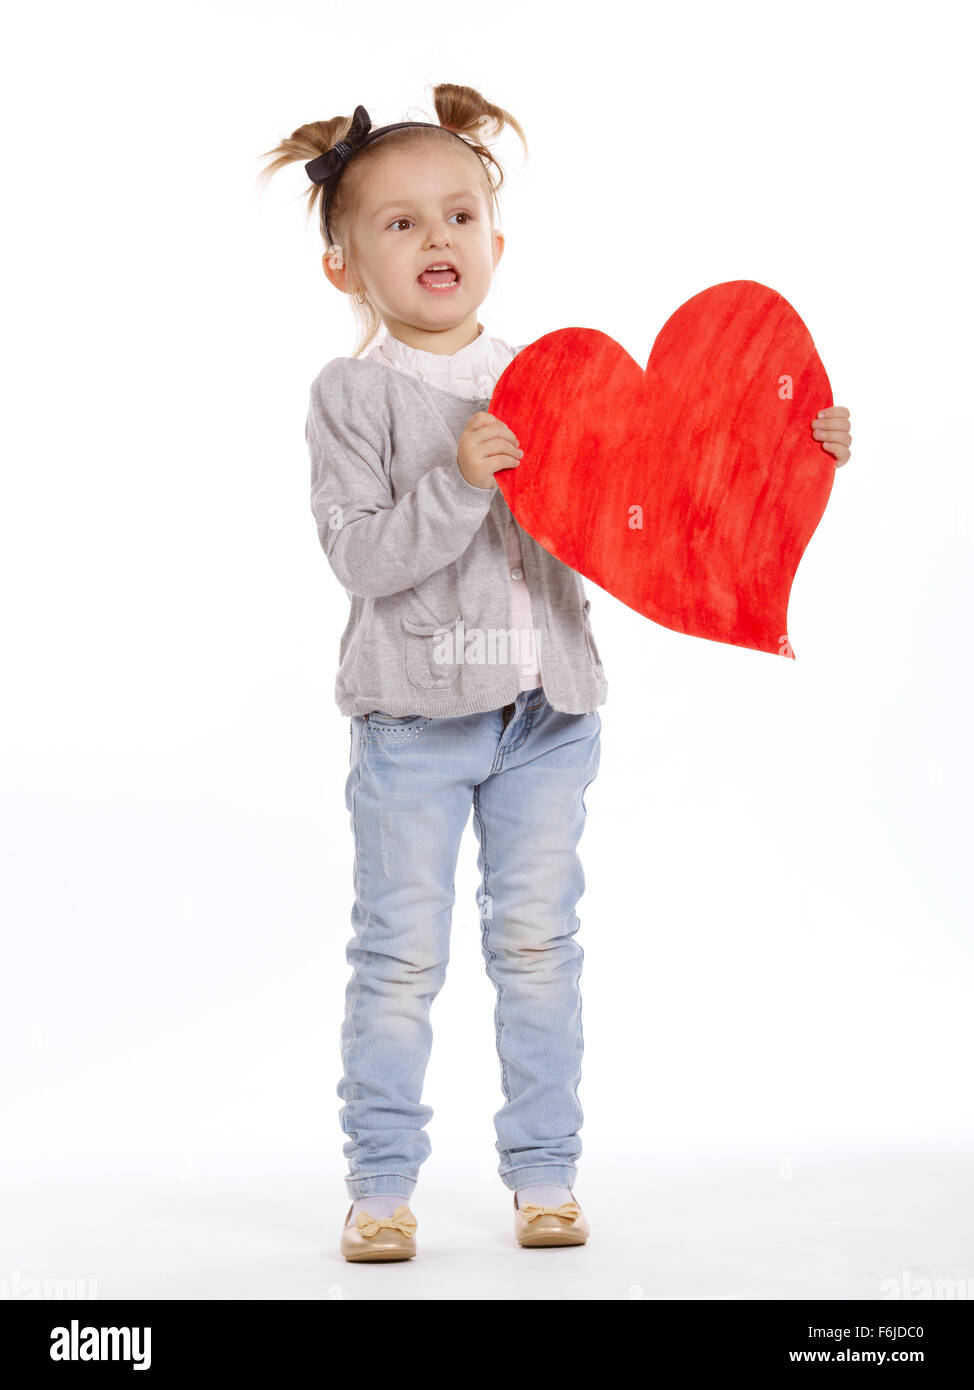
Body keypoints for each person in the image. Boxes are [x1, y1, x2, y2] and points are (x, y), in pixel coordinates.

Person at [256, 83, 853, 1264]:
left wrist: (791, 439)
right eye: (401, 223)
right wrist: (459, 480)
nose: (438, 239)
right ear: (343, 268)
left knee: (536, 948)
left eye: (459, 215)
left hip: (545, 718)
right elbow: (359, 557)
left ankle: (544, 1176)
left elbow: (671, 499)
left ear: (495, 238)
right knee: (399, 955)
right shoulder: (352, 396)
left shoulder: (555, 374)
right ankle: (380, 1185)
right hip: (412, 725)